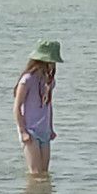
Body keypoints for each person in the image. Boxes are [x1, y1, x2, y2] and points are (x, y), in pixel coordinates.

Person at [14, 42, 63, 176]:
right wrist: (23, 131)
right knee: (35, 173)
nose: (52, 64)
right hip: (30, 131)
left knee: (44, 173)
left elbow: (48, 105)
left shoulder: (49, 81)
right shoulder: (27, 79)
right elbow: (17, 107)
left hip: (44, 131)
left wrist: (51, 128)